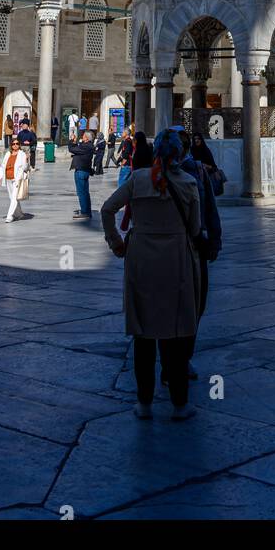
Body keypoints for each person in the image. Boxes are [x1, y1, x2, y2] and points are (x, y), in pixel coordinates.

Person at [101, 128, 201, 420]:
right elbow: (194, 229)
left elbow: (108, 210)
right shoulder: (188, 183)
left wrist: (116, 244)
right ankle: (180, 405)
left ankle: (144, 403)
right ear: (180, 154)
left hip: (140, 261)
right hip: (175, 261)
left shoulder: (139, 178)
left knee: (143, 336)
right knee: (175, 336)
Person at [178, 129, 222, 380]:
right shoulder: (152, 175)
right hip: (179, 249)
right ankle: (177, 360)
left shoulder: (197, 171)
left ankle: (182, 356)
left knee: (196, 302)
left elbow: (210, 210)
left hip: (194, 247)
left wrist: (214, 240)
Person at [0, 138, 28, 223]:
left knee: (14, 197)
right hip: (8, 179)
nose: (15, 145)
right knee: (12, 198)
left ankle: (10, 216)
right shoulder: (8, 154)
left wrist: (26, 161)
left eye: (17, 144)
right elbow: (3, 166)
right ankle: (19, 214)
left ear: (19, 145)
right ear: (11, 145)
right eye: (13, 144)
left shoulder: (22, 154)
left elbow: (25, 167)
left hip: (17, 179)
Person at [71, 131, 95, 220]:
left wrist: (71, 141)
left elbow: (72, 149)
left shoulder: (86, 146)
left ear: (87, 138)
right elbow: (77, 148)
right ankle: (87, 211)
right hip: (85, 171)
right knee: (85, 192)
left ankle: (85, 212)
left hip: (81, 171)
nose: (82, 137)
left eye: (84, 136)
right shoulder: (88, 146)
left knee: (81, 193)